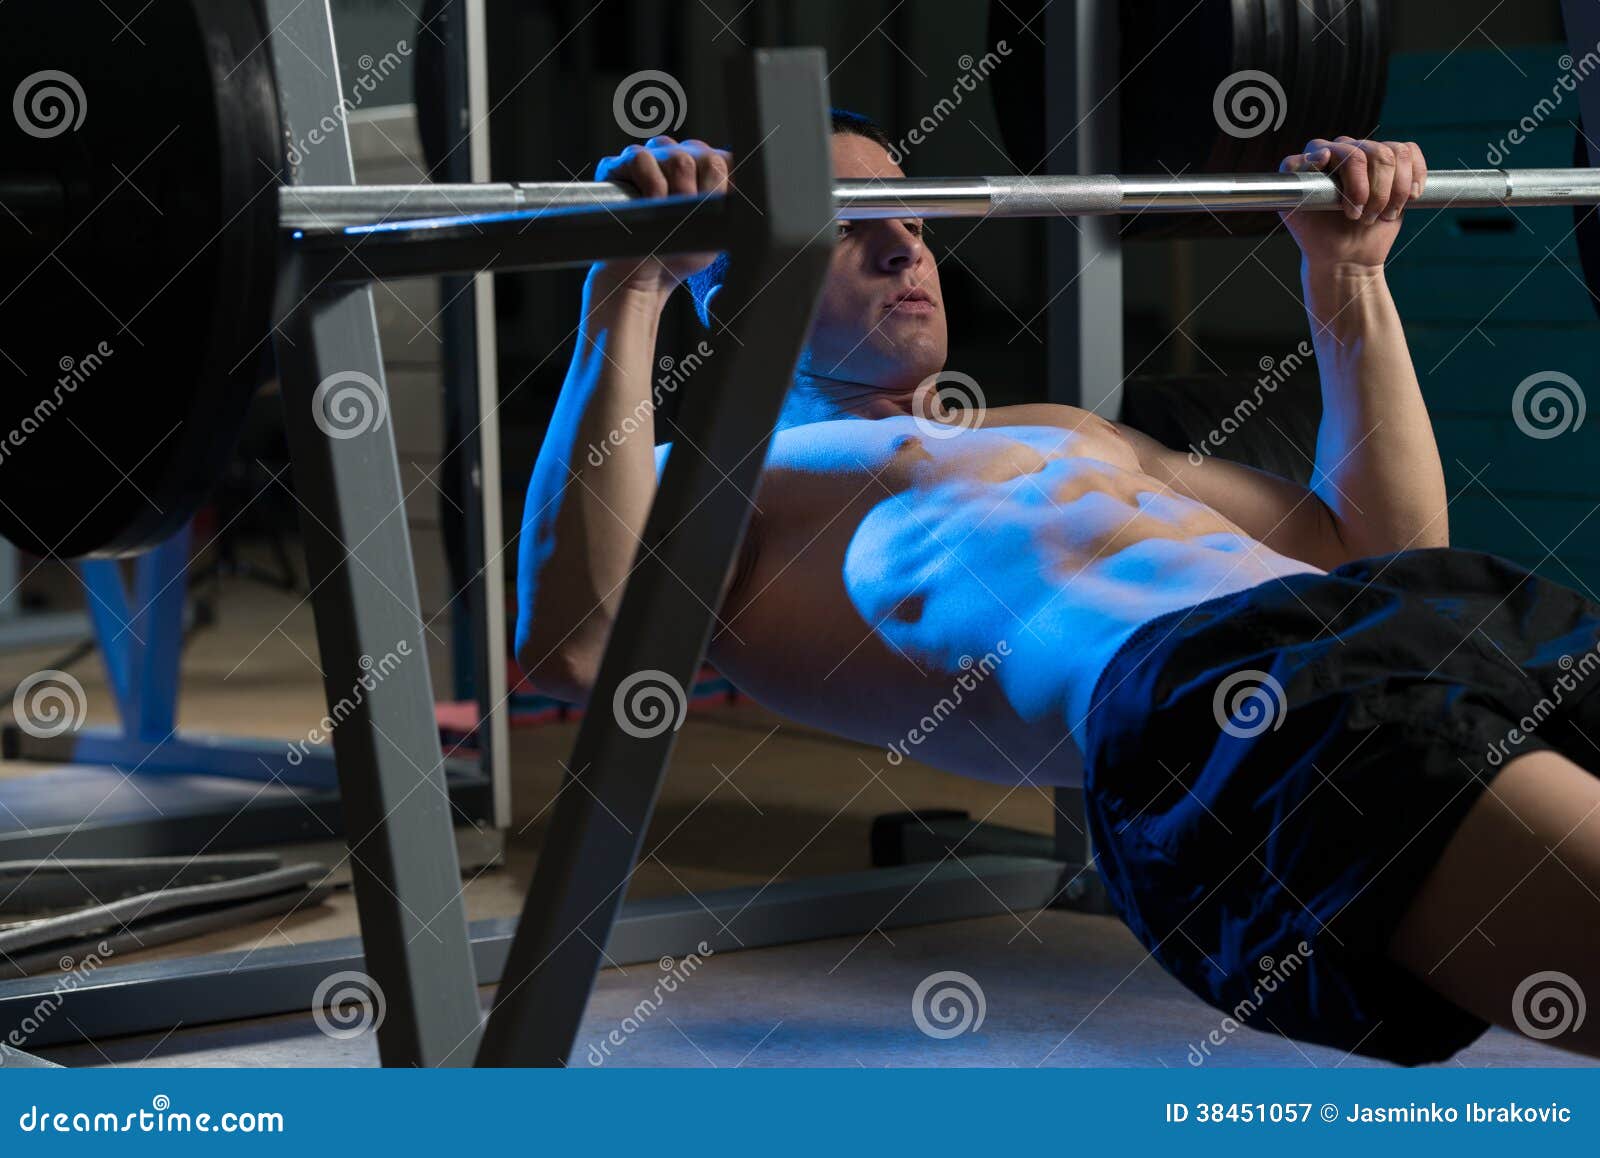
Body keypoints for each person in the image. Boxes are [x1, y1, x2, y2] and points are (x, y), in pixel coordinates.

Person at [516, 109, 1600, 1065]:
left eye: (916, 216)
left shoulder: (1059, 433)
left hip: (1448, 630)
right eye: (848, 222)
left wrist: (1348, 277)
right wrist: (630, 281)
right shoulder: (726, 482)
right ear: (731, 281)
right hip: (1234, 711)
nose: (905, 247)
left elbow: (1384, 556)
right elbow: (575, 646)